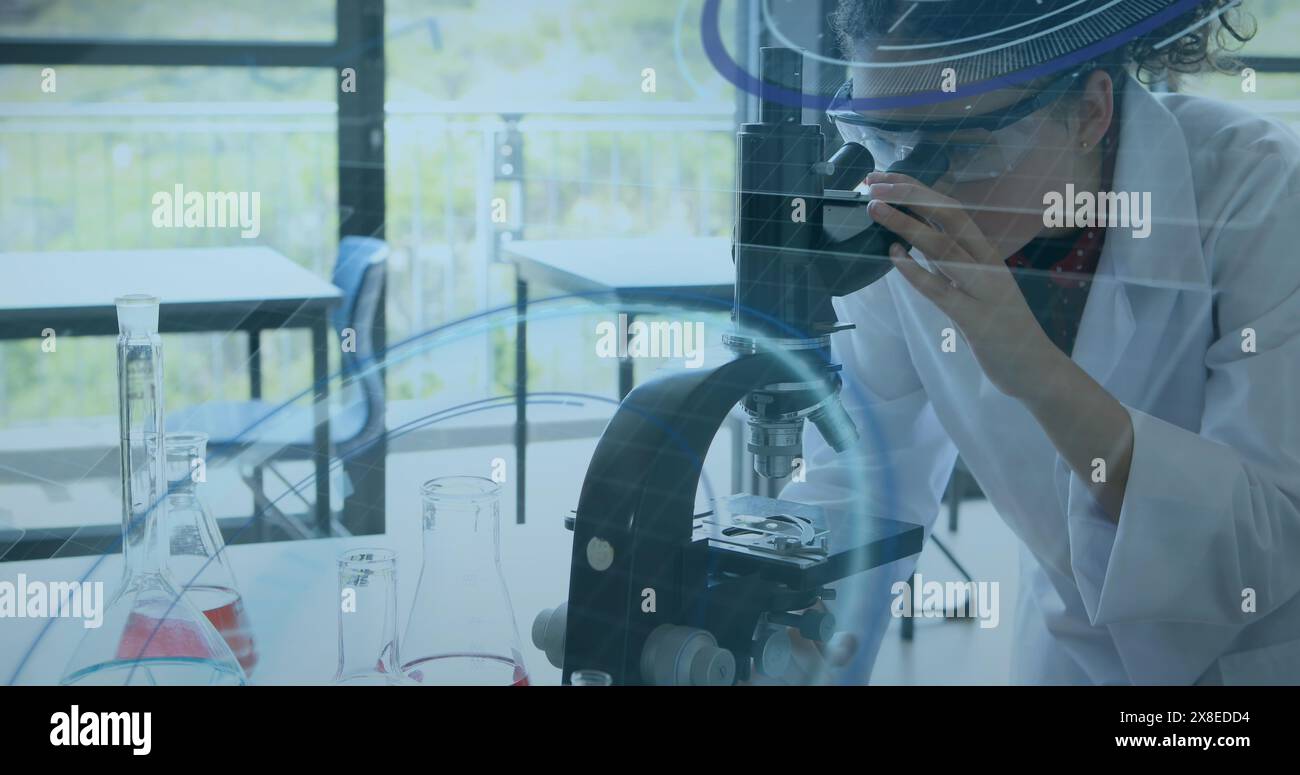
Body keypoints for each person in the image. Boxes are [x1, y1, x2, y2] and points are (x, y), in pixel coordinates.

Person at [782, 0, 1300, 684]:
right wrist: (802, 626)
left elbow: (1268, 538)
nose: (911, 190)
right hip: (1067, 655)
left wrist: (1035, 370)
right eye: (886, 139)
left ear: (1091, 111)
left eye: (962, 148)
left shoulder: (1259, 193)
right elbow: (870, 478)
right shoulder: (894, 210)